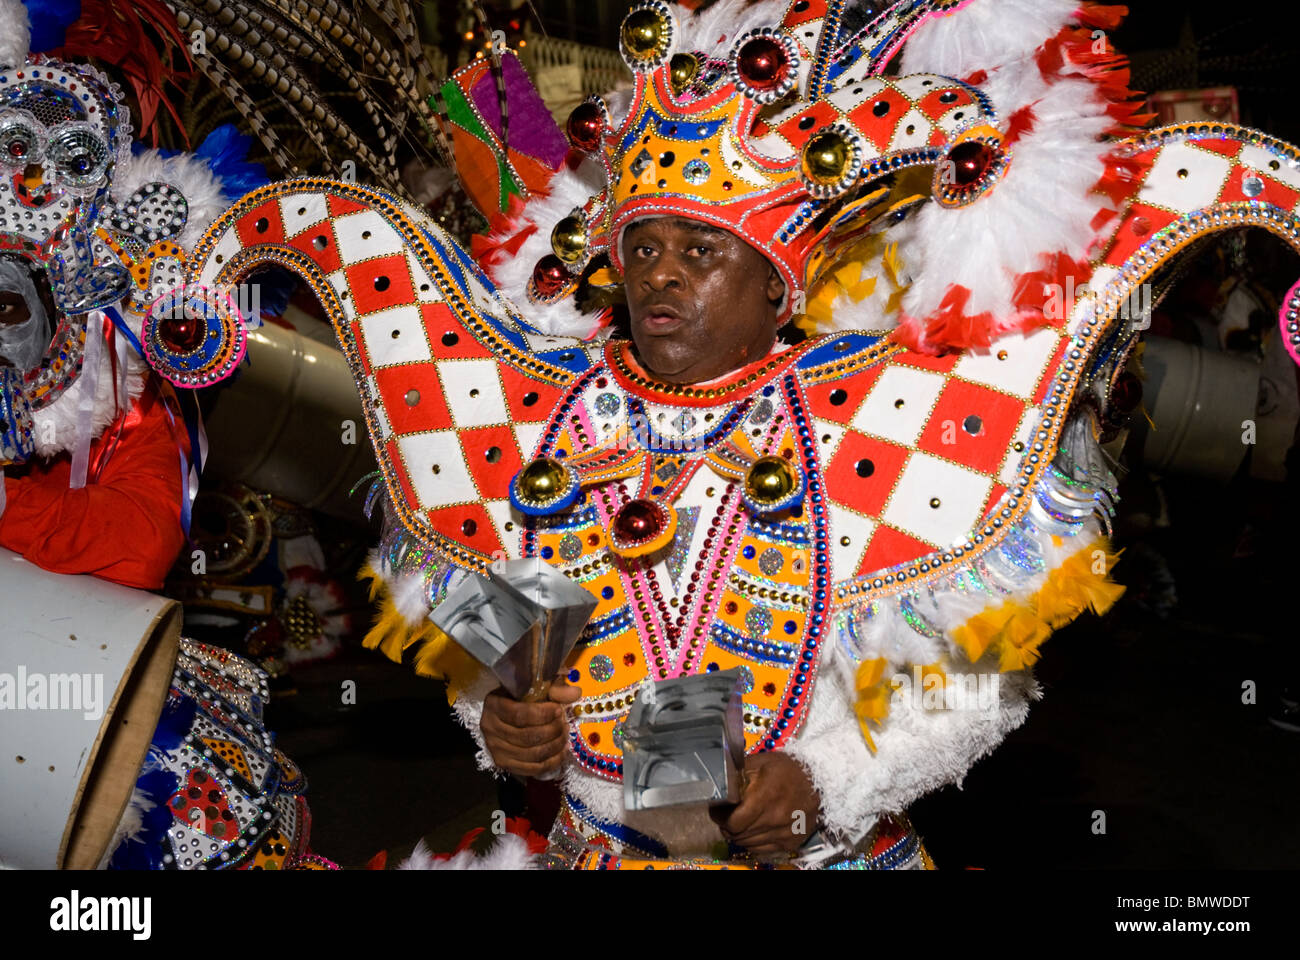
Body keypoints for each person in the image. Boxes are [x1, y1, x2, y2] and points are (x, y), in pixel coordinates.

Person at [188, 0, 1300, 868]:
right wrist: (500, 720)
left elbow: (970, 684)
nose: (661, 271)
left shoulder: (869, 414)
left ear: (777, 289)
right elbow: (503, 632)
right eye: (645, 247)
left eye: (700, 252)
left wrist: (822, 784)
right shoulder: (545, 420)